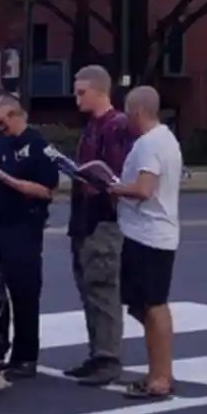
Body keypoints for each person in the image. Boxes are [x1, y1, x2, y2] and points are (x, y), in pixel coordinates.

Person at [0, 93, 60, 381]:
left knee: (23, 293)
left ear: (15, 115)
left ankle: (25, 357)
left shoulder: (38, 147)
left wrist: (7, 180)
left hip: (22, 227)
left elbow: (46, 190)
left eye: (1, 122)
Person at [109, 86, 182, 400]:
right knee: (144, 304)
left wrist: (112, 188)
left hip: (149, 236)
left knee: (153, 306)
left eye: (127, 112)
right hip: (149, 234)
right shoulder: (166, 138)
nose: (125, 119)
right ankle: (157, 372)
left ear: (137, 112)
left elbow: (144, 189)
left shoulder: (149, 144)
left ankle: (161, 378)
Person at [65, 65, 135, 386]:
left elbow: (117, 177)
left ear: (99, 91)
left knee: (103, 288)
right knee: (88, 289)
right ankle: (97, 354)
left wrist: (96, 181)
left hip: (103, 219)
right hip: (83, 217)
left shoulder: (116, 126)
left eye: (81, 92)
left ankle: (109, 357)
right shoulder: (92, 127)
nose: (76, 98)